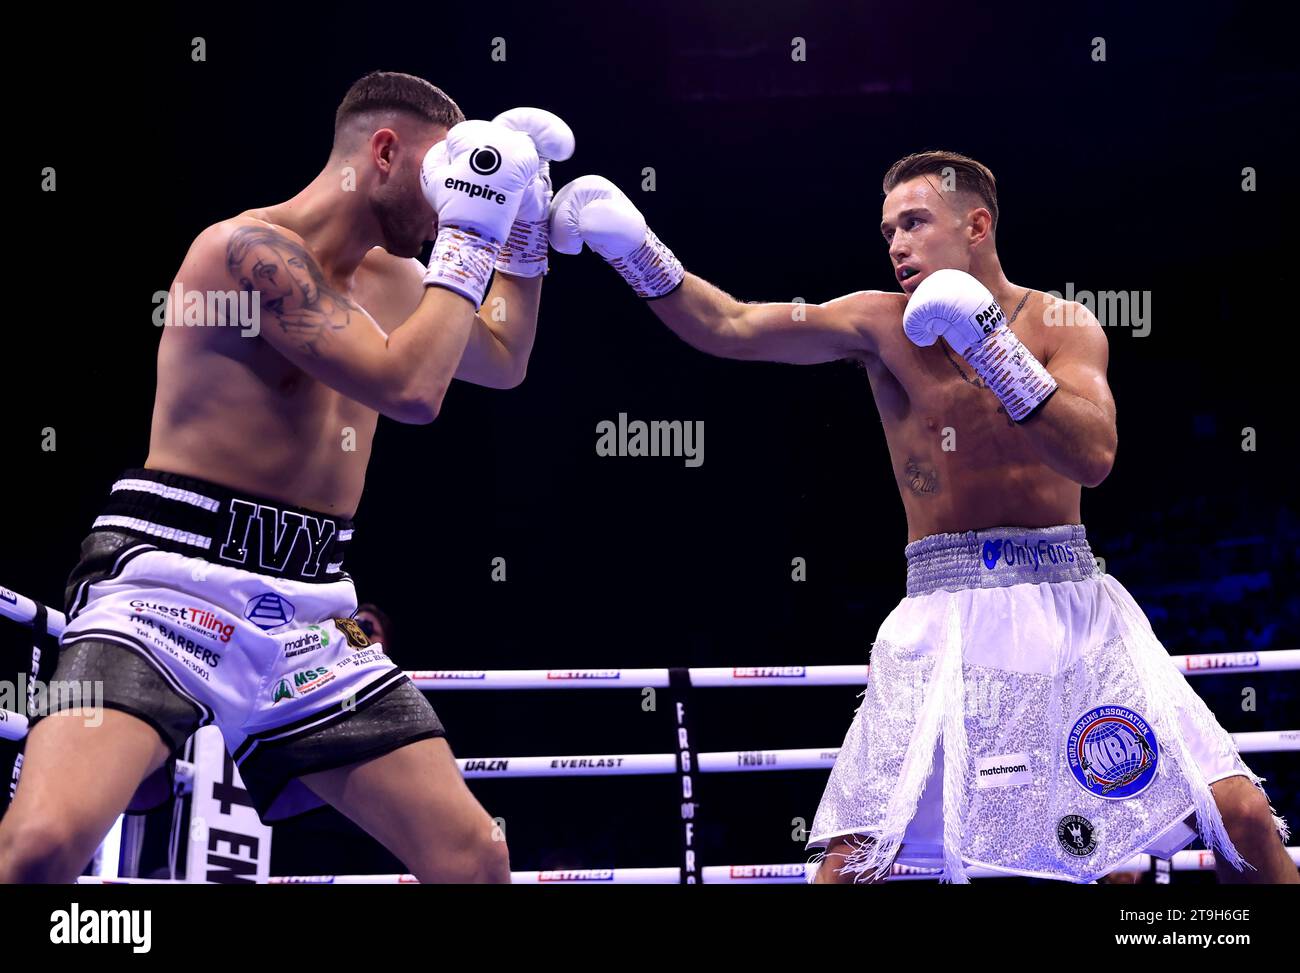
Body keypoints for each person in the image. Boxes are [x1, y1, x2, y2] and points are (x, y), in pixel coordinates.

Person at [547, 151, 1294, 883]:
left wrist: (993, 349)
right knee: (853, 860)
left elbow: (1093, 454)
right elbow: (733, 325)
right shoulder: (880, 323)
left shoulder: (1062, 322)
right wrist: (633, 248)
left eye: (914, 222)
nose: (898, 245)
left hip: (1074, 607)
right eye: (888, 231)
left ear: (976, 225)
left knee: (1244, 822)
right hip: (944, 613)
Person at [0, 71, 573, 884]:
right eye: (448, 171)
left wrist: (520, 230)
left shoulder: (397, 280)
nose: (454, 198)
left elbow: (506, 357)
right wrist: (474, 235)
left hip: (315, 611)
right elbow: (409, 387)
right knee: (40, 846)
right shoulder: (246, 253)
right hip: (169, 586)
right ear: (384, 153)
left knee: (475, 858)